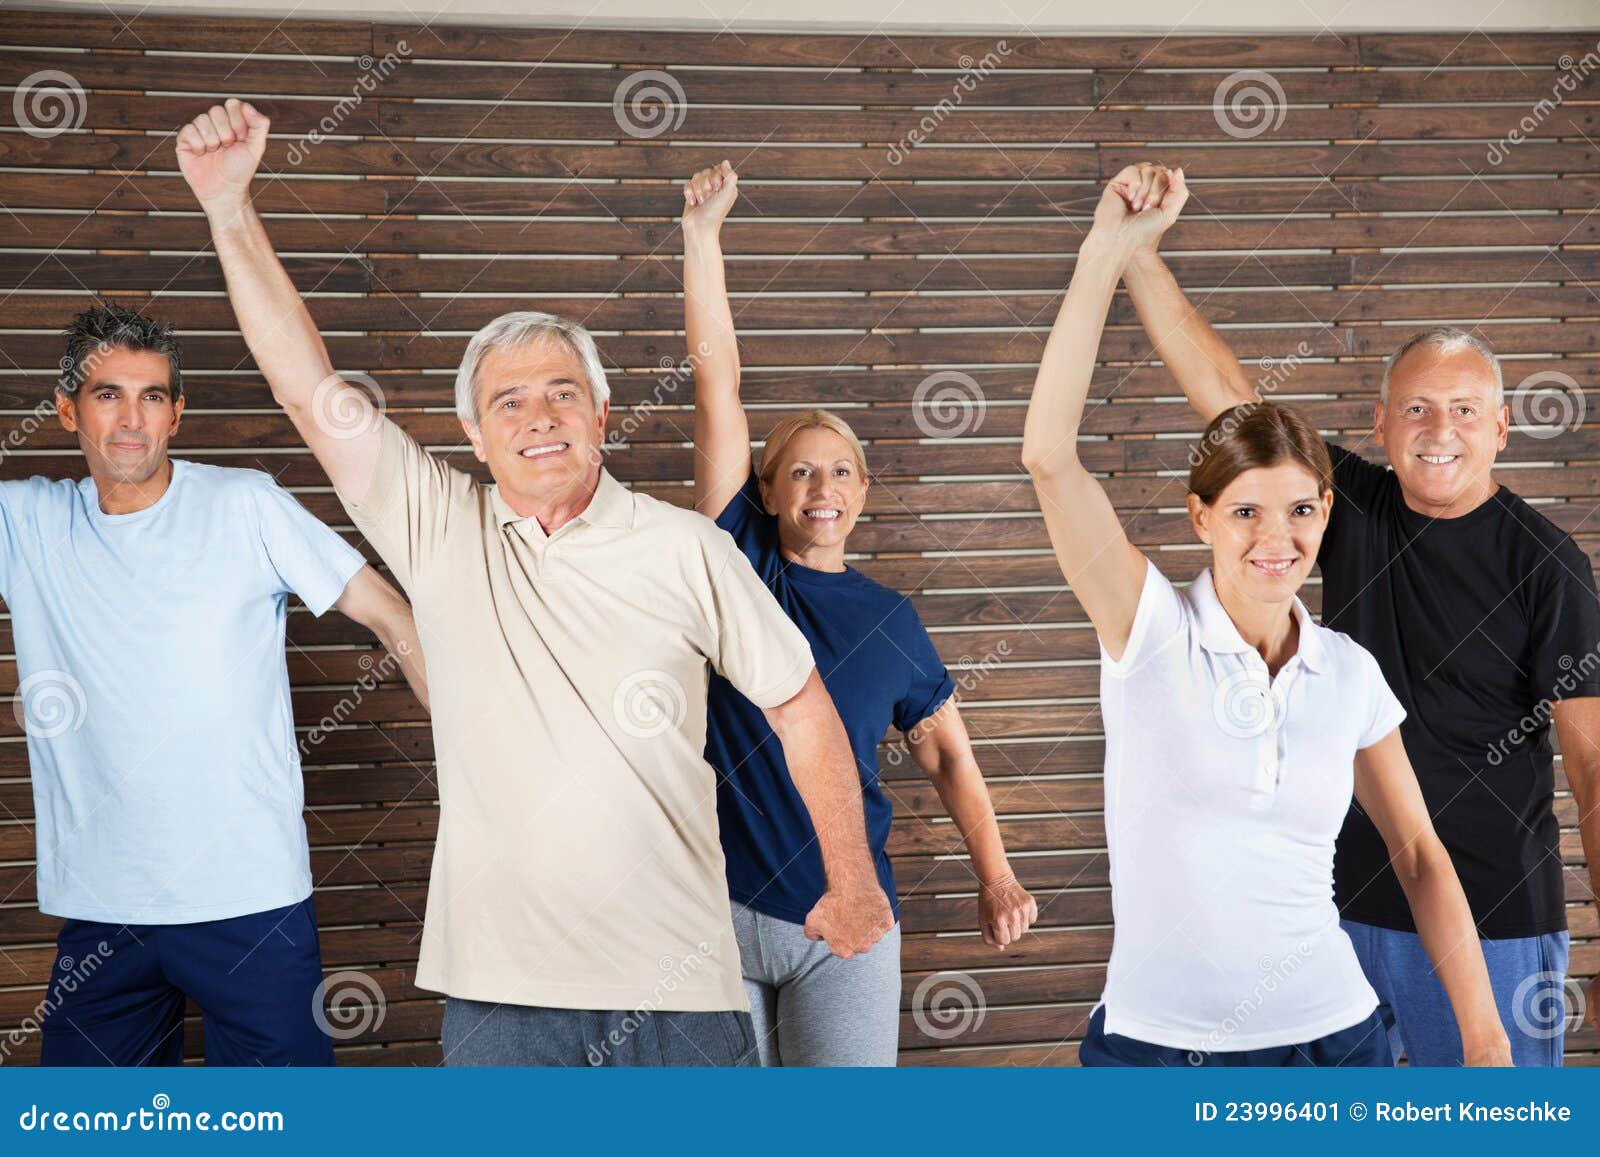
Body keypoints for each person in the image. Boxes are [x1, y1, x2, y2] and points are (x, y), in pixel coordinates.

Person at [180, 99, 893, 1067]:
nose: (538, 415)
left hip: (681, 993)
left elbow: (801, 706)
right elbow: (309, 389)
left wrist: (849, 874)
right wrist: (228, 207)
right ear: (473, 437)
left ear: (601, 412)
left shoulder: (685, 547)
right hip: (501, 1001)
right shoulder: (438, 525)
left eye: (561, 391)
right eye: (506, 401)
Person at [1109, 161, 1600, 1065]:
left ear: (1500, 428)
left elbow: (1593, 765)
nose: (1438, 428)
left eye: (1463, 409)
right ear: (1382, 424)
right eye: (1416, 407)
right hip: (1342, 912)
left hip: (1489, 918)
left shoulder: (1548, 566)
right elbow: (1228, 400)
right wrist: (1135, 253)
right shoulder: (1349, 508)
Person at [1021, 168, 1512, 1066]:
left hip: (1334, 1045)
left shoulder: (1348, 672)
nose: (1275, 538)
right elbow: (1049, 456)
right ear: (1200, 516)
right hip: (1155, 1052)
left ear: (1326, 512)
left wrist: (1487, 1040)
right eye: (1246, 511)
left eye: (1299, 511)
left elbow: (1419, 854)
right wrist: (1106, 255)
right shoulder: (1147, 631)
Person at [681, 162, 1039, 1066]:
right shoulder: (738, 560)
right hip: (713, 918)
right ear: (765, 488)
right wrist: (703, 239)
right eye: (799, 469)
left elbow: (949, 752)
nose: (821, 485)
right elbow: (716, 386)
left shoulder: (891, 620)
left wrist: (995, 875)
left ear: (864, 493)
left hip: (845, 920)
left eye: (840, 470)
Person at [9, 304, 427, 1066]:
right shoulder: (27, 523)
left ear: (177, 412)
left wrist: (489, 744)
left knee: (288, 1131)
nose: (131, 418)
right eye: (108, 394)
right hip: (104, 912)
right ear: (68, 409)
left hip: (251, 903)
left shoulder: (245, 504)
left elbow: (391, 615)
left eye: (153, 395)